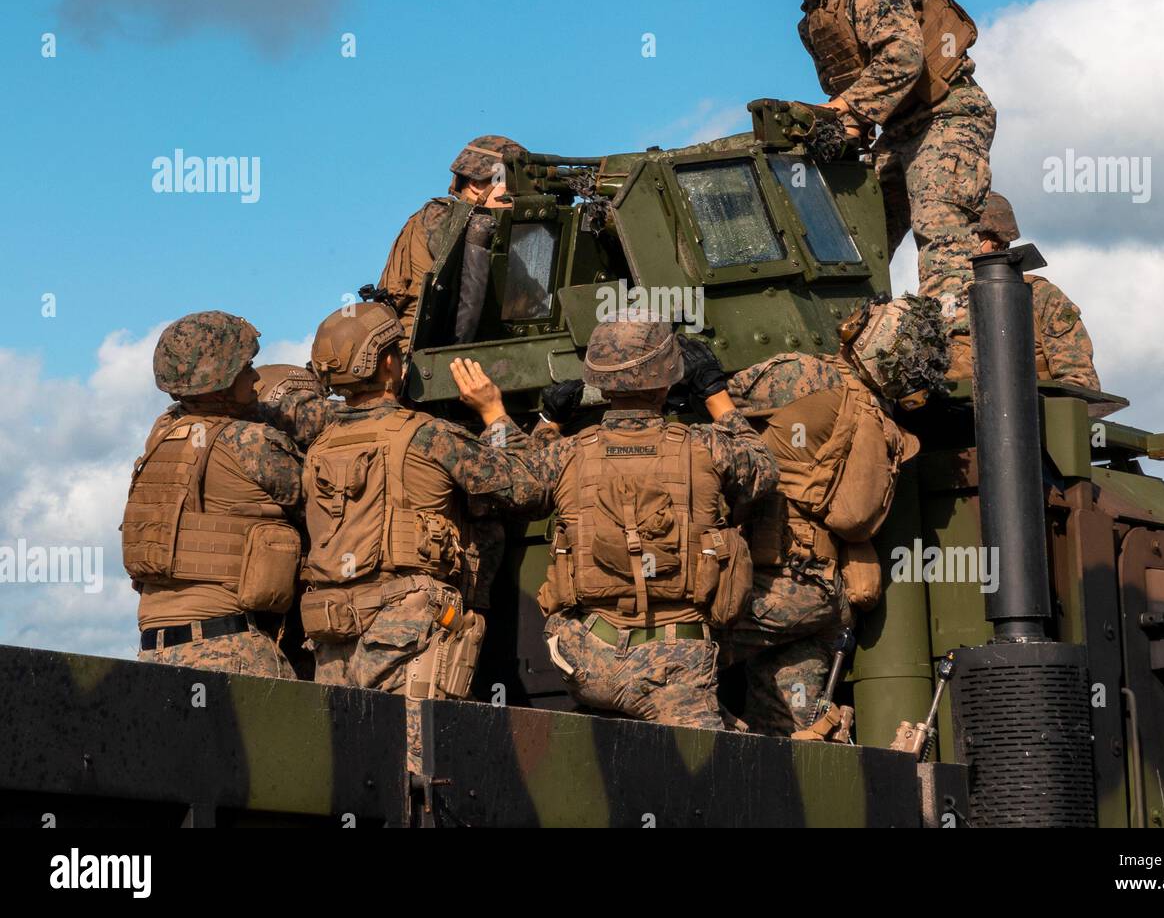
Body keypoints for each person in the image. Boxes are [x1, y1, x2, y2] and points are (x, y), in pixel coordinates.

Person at [454, 320, 777, 731]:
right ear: (668, 382)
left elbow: (515, 480)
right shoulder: (706, 446)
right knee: (706, 785)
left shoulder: (568, 453)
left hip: (587, 661)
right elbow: (763, 468)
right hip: (675, 667)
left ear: (602, 386)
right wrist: (716, 397)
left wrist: (512, 417)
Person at [298, 302, 545, 769]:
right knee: (422, 770)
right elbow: (525, 487)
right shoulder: (428, 435)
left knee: (354, 770)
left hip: (332, 627)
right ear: (389, 363)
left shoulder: (319, 445)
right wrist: (494, 414)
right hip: (408, 622)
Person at [744, 0, 995, 342]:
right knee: (853, 237)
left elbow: (902, 59)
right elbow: (856, 97)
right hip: (898, 132)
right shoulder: (816, 20)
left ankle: (958, 344)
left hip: (948, 116)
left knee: (939, 227)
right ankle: (862, 341)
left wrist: (839, 111)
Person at [723, 295, 947, 740]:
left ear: (859, 332)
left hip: (768, 589)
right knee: (790, 732)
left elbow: (717, 404)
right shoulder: (888, 428)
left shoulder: (806, 376)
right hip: (825, 601)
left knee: (657, 649)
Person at [122, 311, 302, 678]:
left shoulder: (162, 437)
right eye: (247, 368)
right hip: (231, 649)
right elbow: (327, 508)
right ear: (221, 381)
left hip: (154, 654)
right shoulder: (252, 443)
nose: (255, 378)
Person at [376, 135, 522, 348]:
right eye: (511, 189)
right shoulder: (439, 218)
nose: (519, 198)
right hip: (416, 358)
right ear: (475, 184)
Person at [947, 192, 1101, 390]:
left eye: (969, 237)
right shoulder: (940, 301)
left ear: (997, 242)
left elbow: (1080, 383)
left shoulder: (1039, 297)